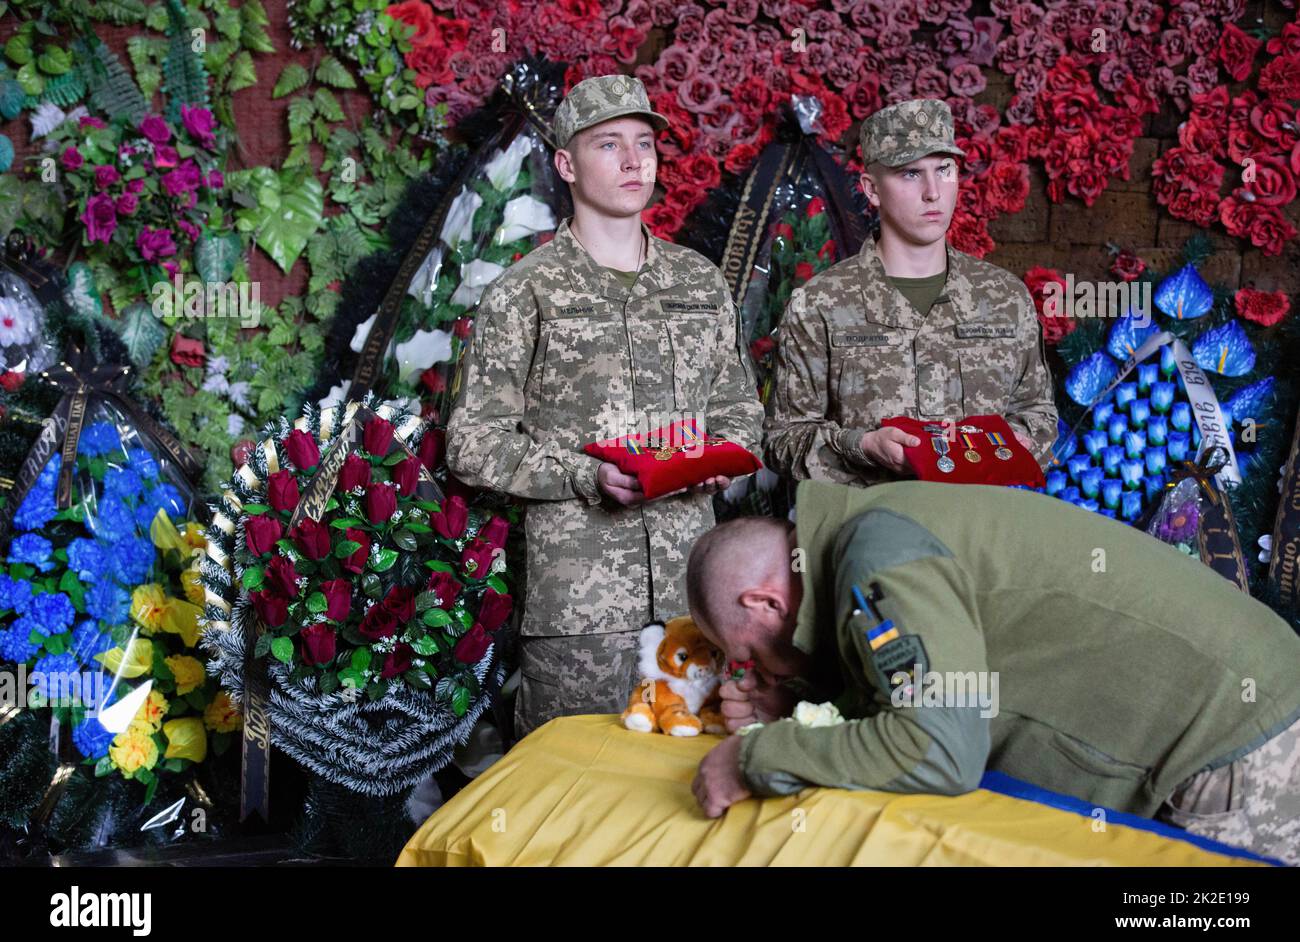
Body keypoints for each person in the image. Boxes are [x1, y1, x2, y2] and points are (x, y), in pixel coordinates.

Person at [685, 478, 1300, 865]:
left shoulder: (878, 561)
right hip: (1235, 724)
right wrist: (794, 703)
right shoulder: (865, 529)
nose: (752, 669)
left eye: (746, 654)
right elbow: (912, 679)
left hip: (1245, 746)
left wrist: (756, 759)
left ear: (764, 603)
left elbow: (936, 745)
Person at [446, 75, 764, 740]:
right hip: (579, 614)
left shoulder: (697, 282)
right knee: (566, 797)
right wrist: (585, 475)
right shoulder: (524, 293)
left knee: (687, 787)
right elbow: (472, 443)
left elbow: (740, 412)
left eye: (645, 144)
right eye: (609, 144)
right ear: (566, 165)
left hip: (693, 598)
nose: (633, 161)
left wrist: (721, 461)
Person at [764, 98, 1058, 486]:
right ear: (871, 189)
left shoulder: (1004, 298)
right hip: (870, 525)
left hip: (982, 528)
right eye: (910, 174)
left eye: (944, 170)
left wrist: (1016, 444)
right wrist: (862, 446)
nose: (933, 192)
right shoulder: (821, 303)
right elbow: (782, 439)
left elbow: (1038, 413)